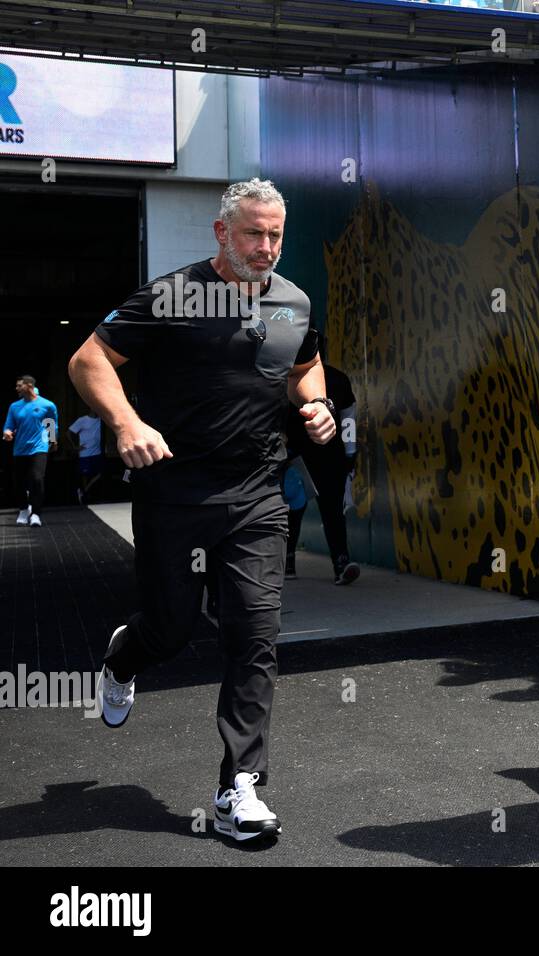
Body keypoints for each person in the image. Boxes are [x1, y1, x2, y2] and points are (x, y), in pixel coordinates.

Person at [68, 178, 336, 844]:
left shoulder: (292, 302)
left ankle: (237, 786)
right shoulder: (174, 295)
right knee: (171, 629)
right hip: (172, 493)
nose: (266, 247)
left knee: (255, 634)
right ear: (222, 232)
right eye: (254, 233)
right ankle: (124, 660)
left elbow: (306, 364)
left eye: (276, 234)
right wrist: (126, 422)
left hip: (255, 496)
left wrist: (319, 406)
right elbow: (88, 359)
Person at [284, 362, 360, 584]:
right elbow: (349, 417)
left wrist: (350, 453)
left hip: (314, 455)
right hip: (306, 455)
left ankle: (337, 562)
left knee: (310, 508)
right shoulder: (335, 378)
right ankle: (338, 562)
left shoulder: (292, 378)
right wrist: (350, 452)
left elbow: (347, 416)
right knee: (313, 509)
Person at [4, 375, 58, 527]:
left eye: (19, 385)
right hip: (20, 449)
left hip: (39, 446)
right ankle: (23, 510)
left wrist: (53, 440)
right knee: (19, 482)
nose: (16, 388)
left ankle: (36, 514)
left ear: (29, 386)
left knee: (37, 479)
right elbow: (8, 425)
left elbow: (51, 424)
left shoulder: (47, 405)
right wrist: (7, 432)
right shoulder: (14, 407)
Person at [67, 410, 105, 504]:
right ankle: (85, 495)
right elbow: (68, 433)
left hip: (97, 452)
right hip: (85, 453)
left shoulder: (101, 420)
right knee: (85, 475)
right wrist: (74, 447)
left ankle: (85, 491)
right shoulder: (82, 420)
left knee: (100, 473)